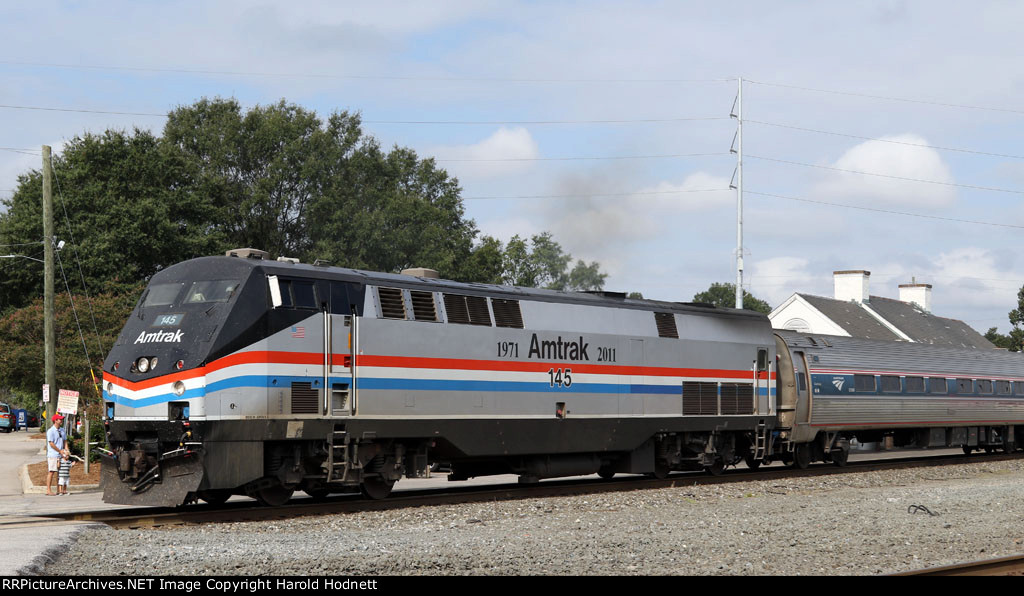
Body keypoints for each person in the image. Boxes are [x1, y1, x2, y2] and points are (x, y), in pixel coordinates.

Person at [45, 414, 69, 496]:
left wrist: (66, 451)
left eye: (61, 419)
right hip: (53, 454)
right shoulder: (50, 431)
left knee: (60, 473)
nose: (61, 421)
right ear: (55, 420)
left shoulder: (62, 430)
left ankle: (59, 490)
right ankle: (48, 490)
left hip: (61, 454)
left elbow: (65, 441)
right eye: (59, 419)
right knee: (51, 472)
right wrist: (59, 451)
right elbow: (51, 443)